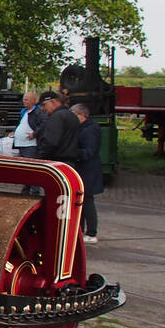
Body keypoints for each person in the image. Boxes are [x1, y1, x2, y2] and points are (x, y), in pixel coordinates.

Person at [72, 103, 103, 243]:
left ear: (82, 115)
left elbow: (89, 151)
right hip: (83, 169)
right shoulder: (83, 128)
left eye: (73, 114)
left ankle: (91, 233)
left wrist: (73, 152)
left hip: (88, 170)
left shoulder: (90, 130)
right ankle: (81, 230)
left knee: (88, 201)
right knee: (83, 201)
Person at [36, 92, 80, 164]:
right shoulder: (72, 116)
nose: (42, 108)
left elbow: (51, 142)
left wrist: (40, 157)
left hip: (57, 162)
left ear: (53, 102)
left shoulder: (57, 116)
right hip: (70, 162)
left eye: (44, 105)